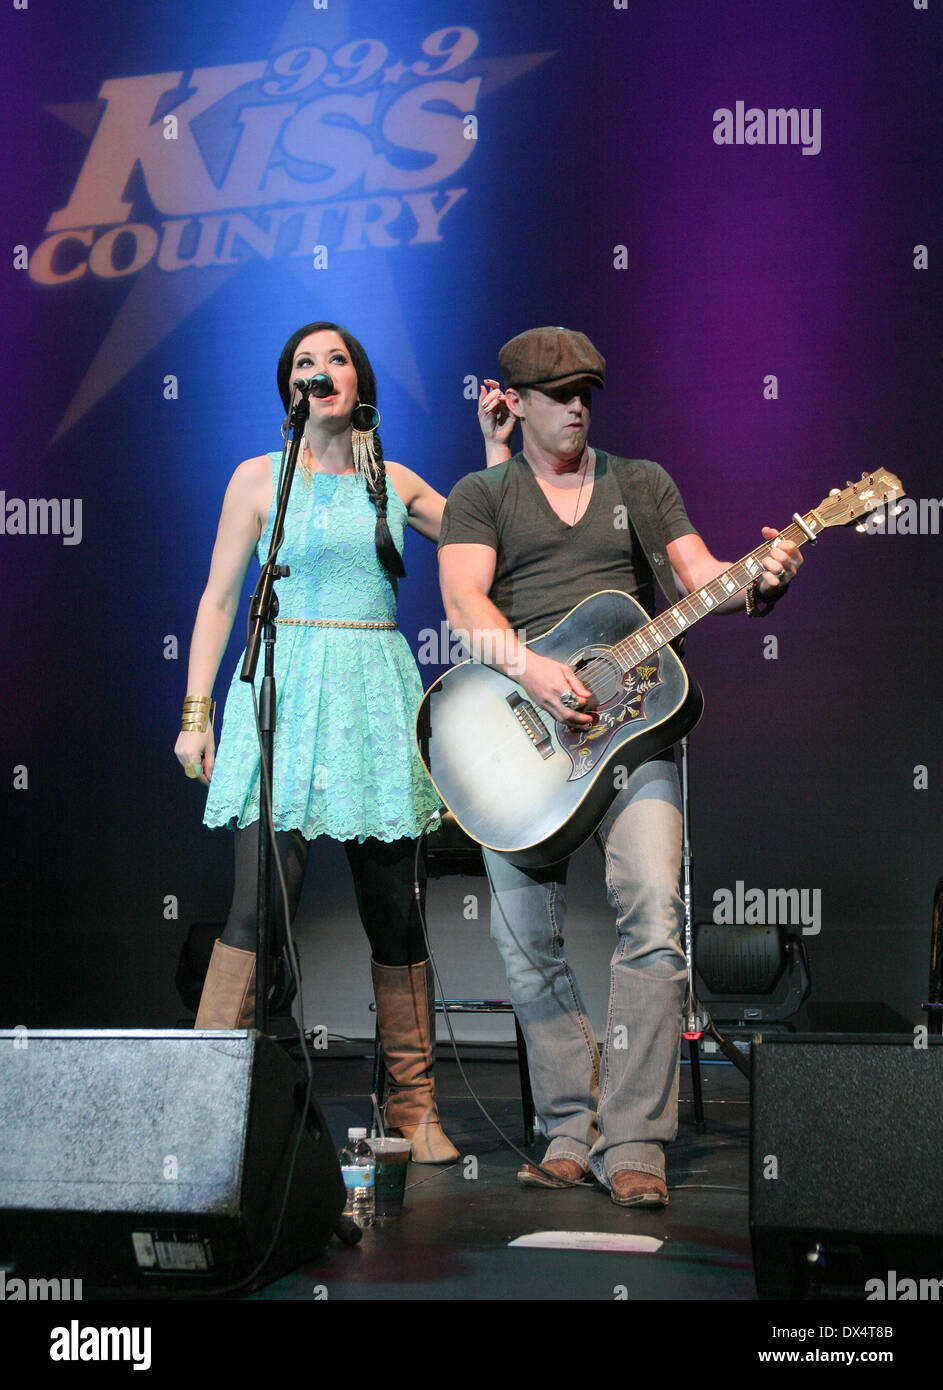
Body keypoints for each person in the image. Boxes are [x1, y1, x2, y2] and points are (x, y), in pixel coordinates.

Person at [437, 326, 803, 1204]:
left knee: (652, 915)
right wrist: (534, 670)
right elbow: (464, 603)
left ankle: (633, 1140)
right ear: (513, 402)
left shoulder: (639, 483)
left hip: (635, 733)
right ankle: (569, 1126)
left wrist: (760, 578)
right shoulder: (483, 493)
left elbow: (700, 576)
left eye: (585, 395)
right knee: (525, 943)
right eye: (556, 395)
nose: (575, 409)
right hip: (524, 737)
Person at [174, 321, 497, 1163]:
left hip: (371, 697)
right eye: (304, 363)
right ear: (290, 386)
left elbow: (482, 541)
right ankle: (203, 1109)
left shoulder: (394, 480)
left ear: (360, 383)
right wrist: (196, 713)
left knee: (393, 909)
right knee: (256, 908)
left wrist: (495, 454)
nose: (320, 373)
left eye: (336, 360)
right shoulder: (258, 478)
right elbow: (218, 600)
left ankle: (414, 1108)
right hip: (280, 691)